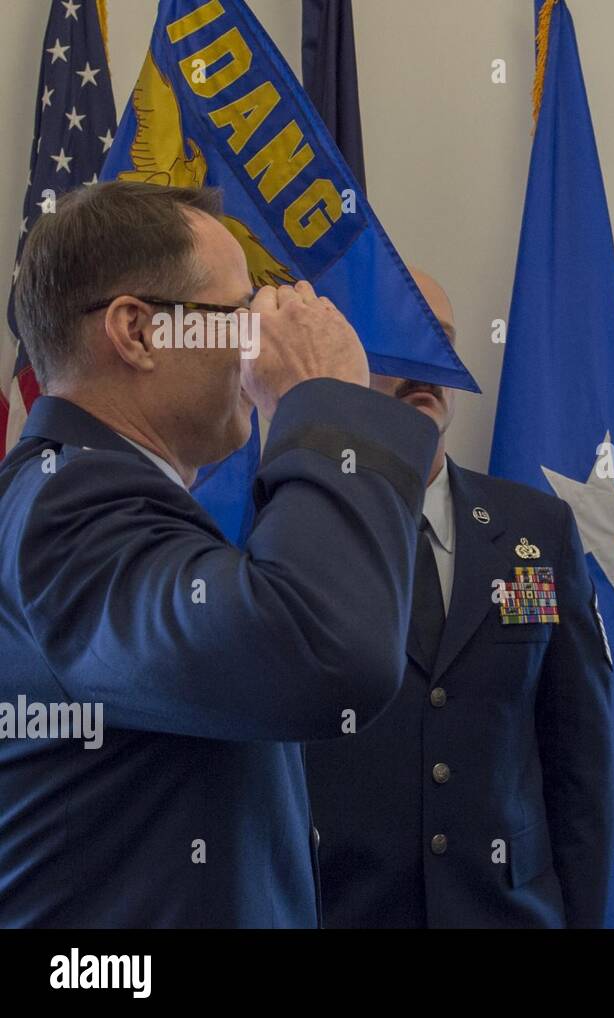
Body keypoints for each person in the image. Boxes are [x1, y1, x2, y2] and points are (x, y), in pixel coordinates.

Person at [0, 181, 440, 927]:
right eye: (239, 315)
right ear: (138, 332)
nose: (258, 343)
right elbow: (326, 656)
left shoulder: (79, 493)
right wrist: (322, 399)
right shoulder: (67, 512)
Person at [305, 269, 614, 928]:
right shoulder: (294, 528)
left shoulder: (539, 529)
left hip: (513, 912)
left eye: (440, 343)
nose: (426, 368)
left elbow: (578, 755)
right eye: (403, 342)